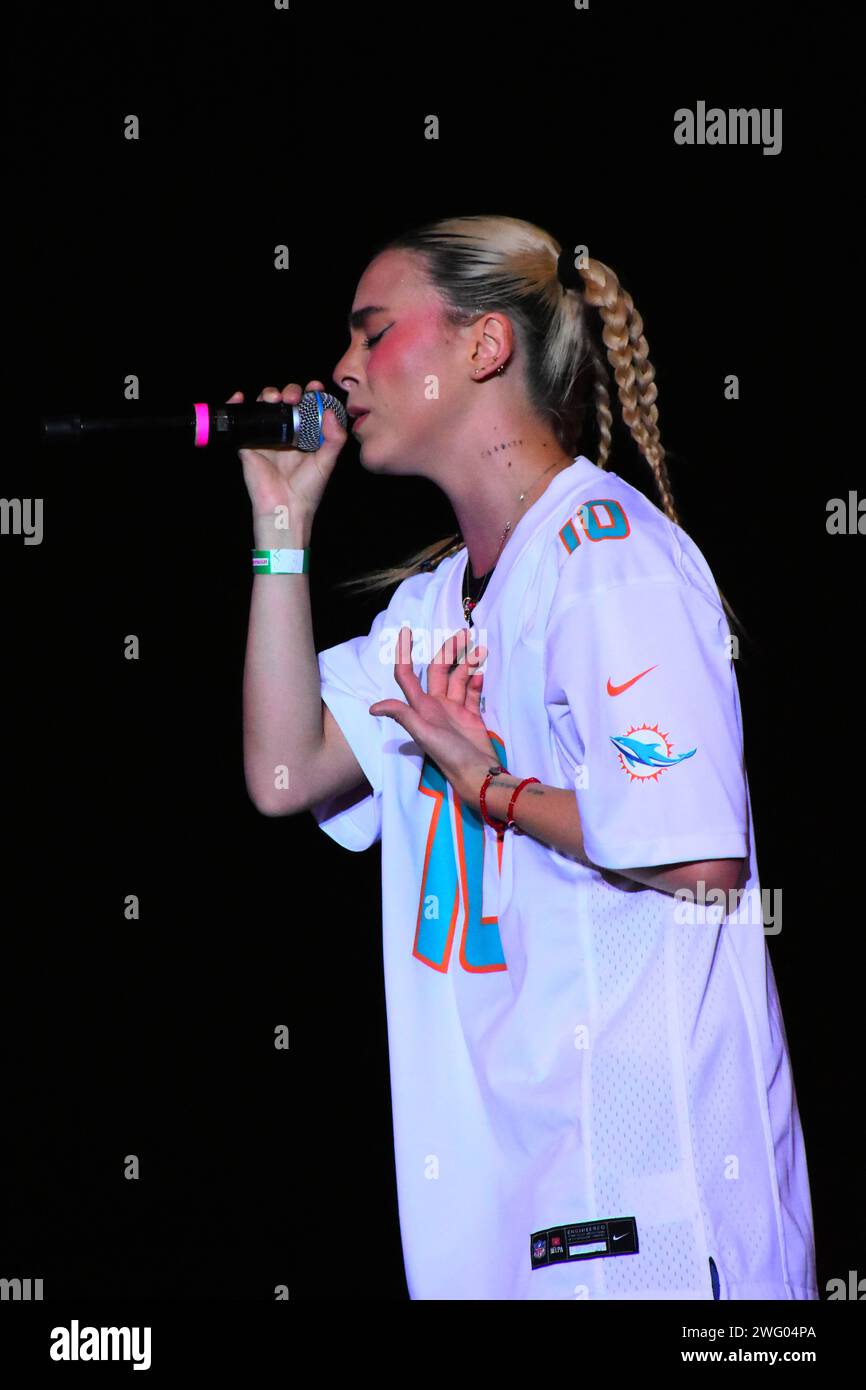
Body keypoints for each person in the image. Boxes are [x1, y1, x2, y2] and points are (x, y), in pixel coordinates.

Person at [235, 214, 818, 1301]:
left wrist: (488, 785)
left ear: (483, 345)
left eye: (372, 333)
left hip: (647, 1218)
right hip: (510, 1223)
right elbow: (283, 774)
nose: (341, 369)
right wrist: (280, 529)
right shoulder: (430, 607)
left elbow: (694, 856)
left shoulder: (609, 558)